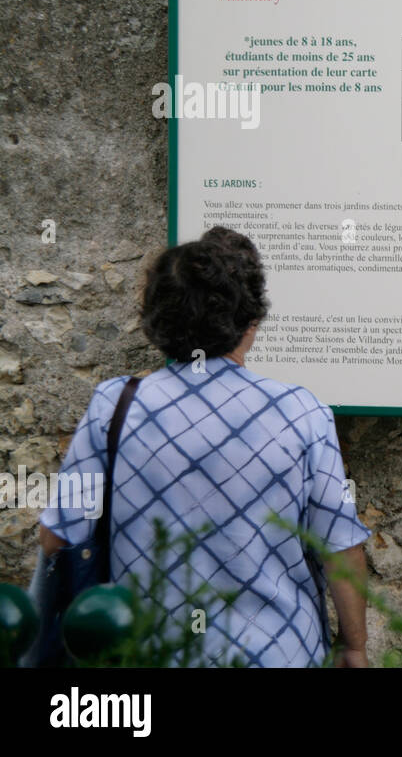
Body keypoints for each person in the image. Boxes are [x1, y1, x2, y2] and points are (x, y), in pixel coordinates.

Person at [38, 226, 371, 667]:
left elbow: (55, 536)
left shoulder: (114, 406)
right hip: (277, 653)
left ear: (156, 318)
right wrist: (355, 648)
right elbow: (340, 548)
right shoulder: (302, 412)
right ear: (251, 319)